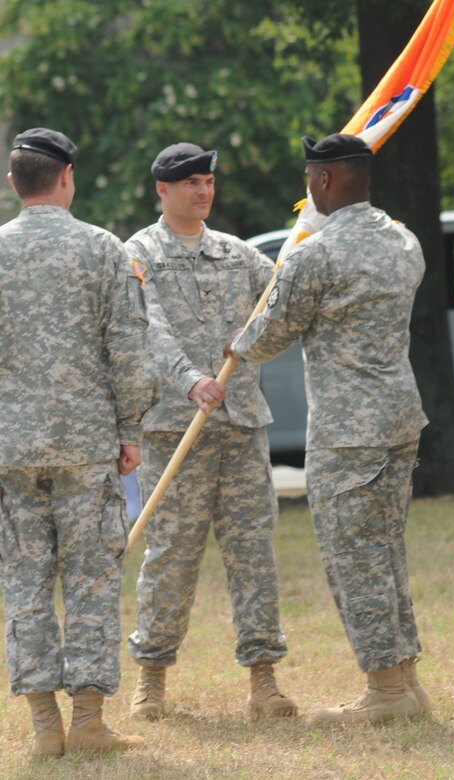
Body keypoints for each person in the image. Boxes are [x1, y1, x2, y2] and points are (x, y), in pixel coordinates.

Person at [225, 132, 432, 723]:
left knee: (355, 556)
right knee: (387, 551)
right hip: (398, 414)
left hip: (348, 427)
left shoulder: (316, 254)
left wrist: (237, 341)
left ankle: (386, 692)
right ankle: (407, 685)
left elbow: (268, 337)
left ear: (321, 181)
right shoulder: (404, 239)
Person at [0, 127, 166, 757]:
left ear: (16, 182)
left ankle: (45, 727)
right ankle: (89, 722)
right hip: (88, 445)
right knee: (92, 580)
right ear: (66, 177)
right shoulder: (103, 249)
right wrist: (130, 432)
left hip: (12, 448)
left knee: (24, 581)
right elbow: (129, 348)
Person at [126, 142, 297, 721]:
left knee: (254, 552)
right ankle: (151, 678)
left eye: (208, 182)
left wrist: (257, 340)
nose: (203, 192)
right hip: (175, 429)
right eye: (191, 183)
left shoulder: (237, 254)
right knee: (171, 554)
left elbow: (281, 302)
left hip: (241, 425)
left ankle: (264, 680)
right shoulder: (139, 253)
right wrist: (189, 378)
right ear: (163, 190)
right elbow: (145, 328)